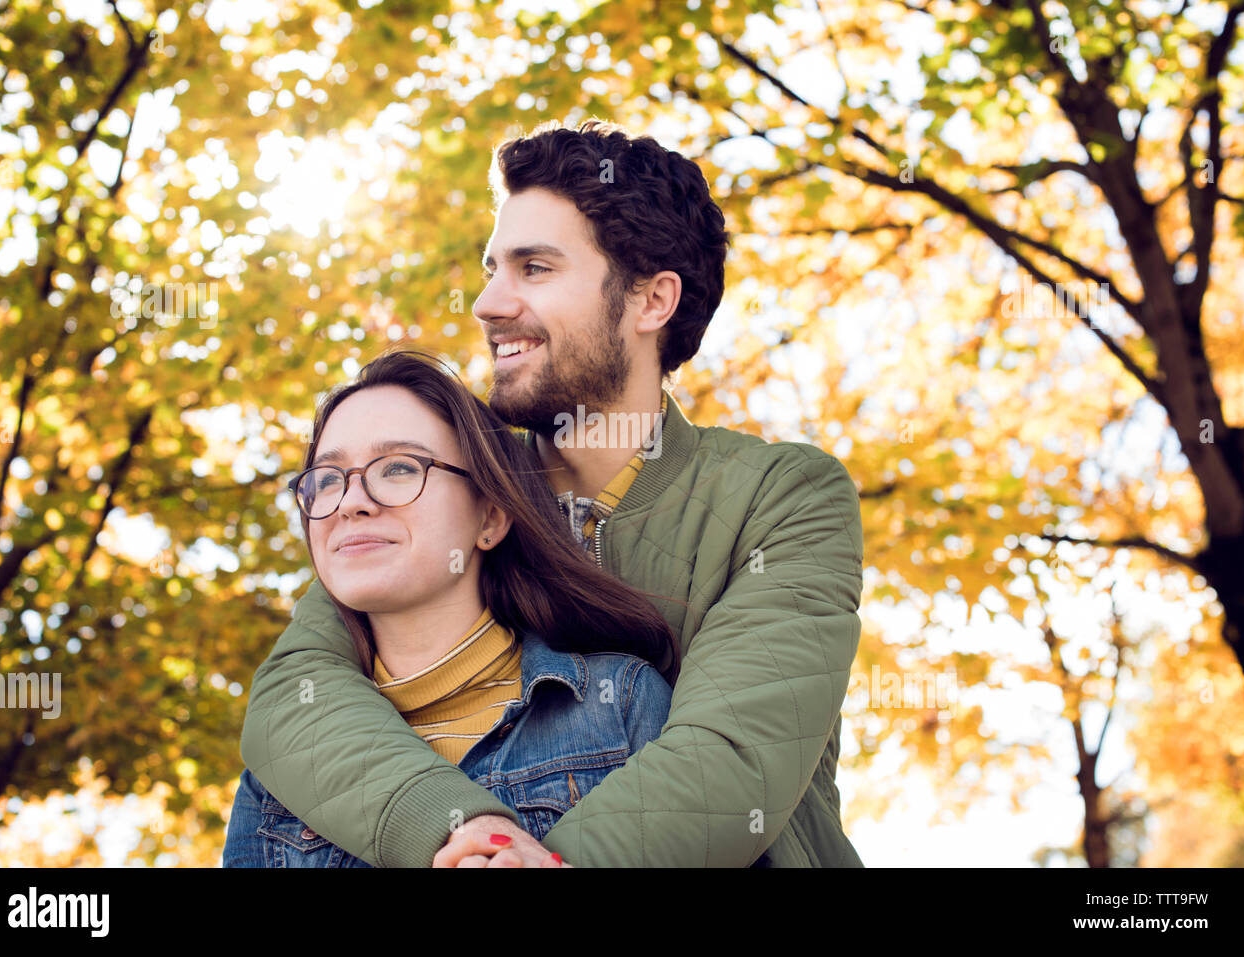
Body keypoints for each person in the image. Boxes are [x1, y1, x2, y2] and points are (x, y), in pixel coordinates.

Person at [240, 119, 865, 867]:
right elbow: (293, 694)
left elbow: (729, 757)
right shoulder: (450, 488)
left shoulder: (784, 496)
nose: (489, 303)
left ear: (651, 301)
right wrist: (467, 835)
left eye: (534, 268)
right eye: (491, 268)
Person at [222, 349, 678, 867]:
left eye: (397, 467)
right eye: (326, 479)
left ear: (491, 516)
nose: (350, 502)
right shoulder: (281, 773)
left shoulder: (618, 704)